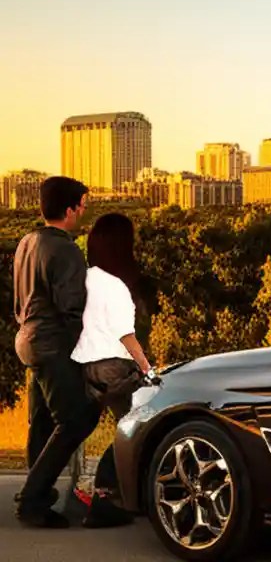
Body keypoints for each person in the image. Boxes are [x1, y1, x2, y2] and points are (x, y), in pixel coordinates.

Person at [12, 176, 99, 528]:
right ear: (69, 209)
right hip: (52, 345)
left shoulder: (27, 241)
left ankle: (39, 495)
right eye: (81, 204)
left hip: (28, 341)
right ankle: (31, 500)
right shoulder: (65, 249)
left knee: (45, 421)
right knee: (78, 418)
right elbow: (73, 309)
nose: (83, 210)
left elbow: (19, 300)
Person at [71, 213, 155, 528]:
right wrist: (147, 368)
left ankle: (117, 495)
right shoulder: (117, 283)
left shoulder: (86, 278)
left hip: (88, 366)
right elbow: (125, 333)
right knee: (136, 428)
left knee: (128, 428)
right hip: (115, 367)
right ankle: (105, 496)